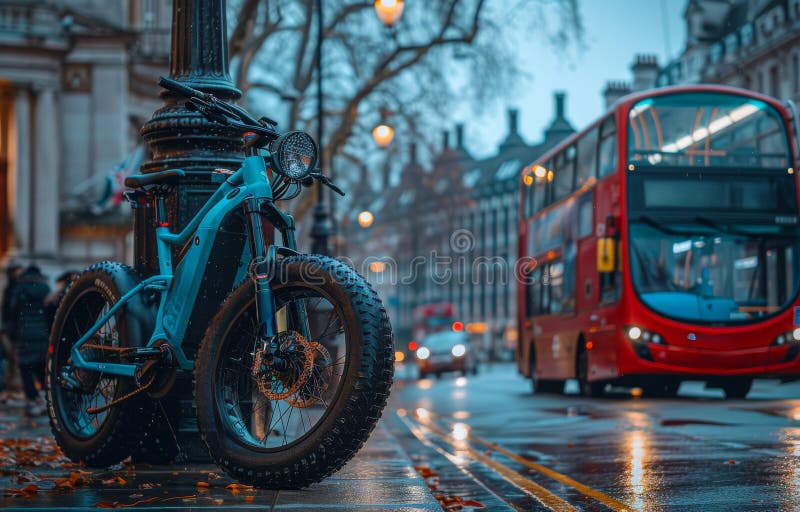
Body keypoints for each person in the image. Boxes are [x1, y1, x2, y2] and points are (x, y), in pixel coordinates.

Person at [8, 265, 51, 416]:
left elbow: (13, 310)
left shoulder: (20, 288)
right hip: (42, 332)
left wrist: (12, 332)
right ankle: (47, 398)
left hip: (25, 332)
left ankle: (32, 399)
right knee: (41, 366)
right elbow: (50, 310)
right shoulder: (45, 288)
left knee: (25, 367)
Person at [0, 264, 23, 402]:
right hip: (9, 330)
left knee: (13, 360)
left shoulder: (13, 288)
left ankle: (12, 388)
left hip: (14, 330)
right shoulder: (9, 288)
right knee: (10, 360)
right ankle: (9, 388)